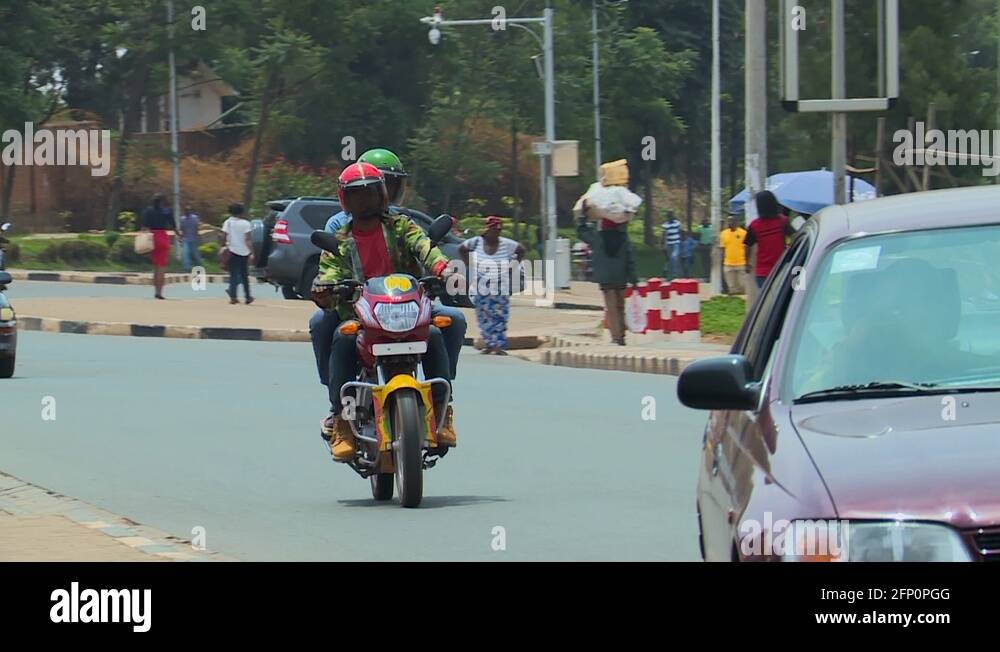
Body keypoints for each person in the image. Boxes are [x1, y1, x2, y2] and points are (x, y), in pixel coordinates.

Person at [311, 163, 456, 461]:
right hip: (361, 316)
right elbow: (326, 272)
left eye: (371, 194)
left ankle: (443, 411)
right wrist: (325, 288)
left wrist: (443, 268)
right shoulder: (339, 242)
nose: (365, 201)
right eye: (357, 196)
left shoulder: (401, 226)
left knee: (435, 332)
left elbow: (424, 246)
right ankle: (342, 422)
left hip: (406, 309)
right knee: (343, 338)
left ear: (383, 196)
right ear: (345, 200)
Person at [459, 216, 526, 355]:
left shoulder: (506, 244)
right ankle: (489, 343)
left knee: (500, 315)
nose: (496, 233)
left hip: (500, 285)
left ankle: (499, 345)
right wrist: (468, 263)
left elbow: (521, 250)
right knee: (483, 315)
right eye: (494, 230)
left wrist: (512, 266)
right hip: (481, 284)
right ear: (487, 230)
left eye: (498, 231)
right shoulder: (476, 242)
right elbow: (462, 248)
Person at [577, 203, 638, 346]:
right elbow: (630, 260)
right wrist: (634, 279)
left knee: (611, 309)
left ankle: (616, 337)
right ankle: (621, 336)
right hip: (621, 277)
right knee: (620, 307)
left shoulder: (597, 238)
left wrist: (583, 216)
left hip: (605, 279)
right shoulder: (624, 239)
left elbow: (581, 232)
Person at [744, 190, 795, 288]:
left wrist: (746, 262)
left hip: (762, 272)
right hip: (782, 267)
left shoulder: (754, 226)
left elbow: (747, 245)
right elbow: (794, 236)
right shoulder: (783, 221)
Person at [141, 193, 179, 299]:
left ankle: (155, 291)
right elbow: (173, 225)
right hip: (162, 237)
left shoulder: (148, 211)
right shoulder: (167, 211)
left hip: (152, 238)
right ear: (162, 202)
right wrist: (179, 235)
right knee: (161, 267)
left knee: (155, 267)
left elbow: (144, 226)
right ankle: (160, 292)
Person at [221, 204, 254, 305]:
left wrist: (223, 246)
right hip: (244, 252)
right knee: (244, 275)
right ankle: (247, 297)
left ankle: (233, 297)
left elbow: (224, 236)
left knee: (233, 275)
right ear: (241, 212)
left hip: (232, 251)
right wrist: (252, 251)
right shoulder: (246, 223)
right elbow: (247, 239)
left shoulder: (228, 222)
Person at [719, 216, 747, 295]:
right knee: (731, 287)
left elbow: (747, 247)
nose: (730, 223)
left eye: (732, 221)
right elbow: (722, 248)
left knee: (742, 285)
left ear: (736, 222)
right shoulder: (723, 234)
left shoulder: (743, 233)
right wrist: (723, 261)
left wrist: (747, 261)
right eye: (728, 221)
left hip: (741, 263)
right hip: (728, 264)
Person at [179, 206, 202, 271]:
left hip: (193, 238)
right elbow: (182, 229)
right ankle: (186, 268)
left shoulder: (195, 218)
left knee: (195, 253)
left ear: (191, 211)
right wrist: (181, 237)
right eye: (186, 211)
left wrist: (198, 237)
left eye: (188, 211)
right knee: (185, 253)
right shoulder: (182, 219)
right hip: (186, 239)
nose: (187, 212)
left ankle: (199, 264)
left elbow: (197, 228)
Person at [661, 211, 682, 279]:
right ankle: (669, 273)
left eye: (671, 217)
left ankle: (674, 273)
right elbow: (664, 235)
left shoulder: (677, 223)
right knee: (670, 259)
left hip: (676, 243)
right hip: (669, 244)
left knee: (674, 257)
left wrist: (681, 241)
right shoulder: (665, 225)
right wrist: (663, 244)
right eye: (669, 217)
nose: (670, 218)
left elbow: (679, 232)